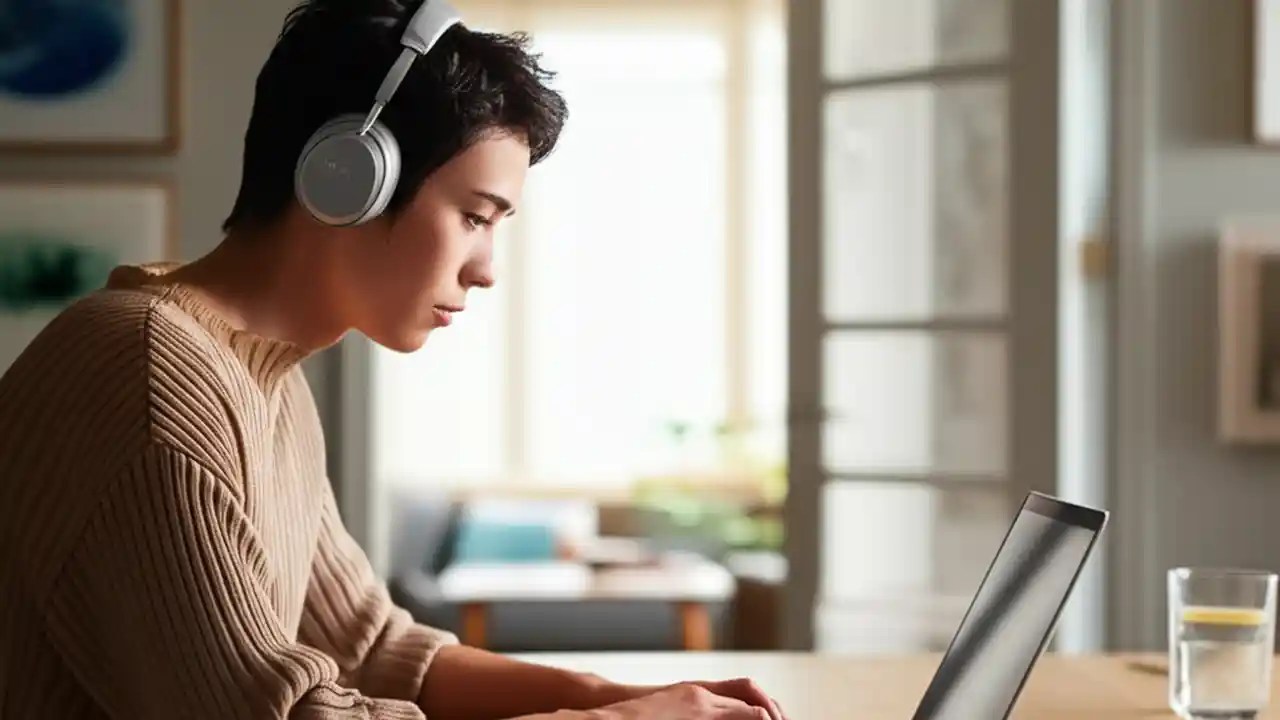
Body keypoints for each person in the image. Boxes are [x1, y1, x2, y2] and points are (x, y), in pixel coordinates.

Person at [0, 1, 788, 719]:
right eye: (474, 216)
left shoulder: (263, 382)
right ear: (347, 177)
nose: (487, 270)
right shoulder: (145, 375)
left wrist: (615, 696)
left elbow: (372, 649)